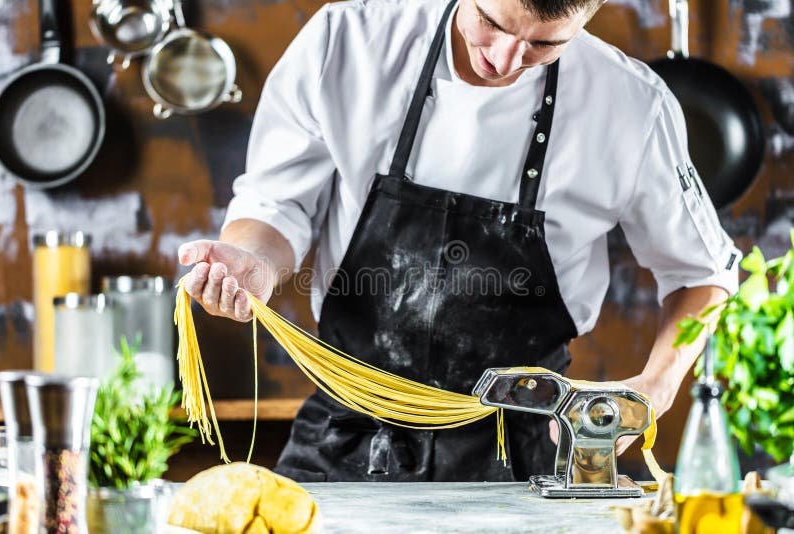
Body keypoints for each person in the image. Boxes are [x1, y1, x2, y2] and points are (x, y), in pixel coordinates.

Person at [178, 0, 740, 482]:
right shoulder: (347, 43)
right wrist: (252, 261)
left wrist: (657, 385)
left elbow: (703, 272)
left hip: (519, 461)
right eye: (492, 22)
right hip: (347, 439)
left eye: (544, 45)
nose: (505, 60)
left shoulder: (629, 104)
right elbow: (276, 206)